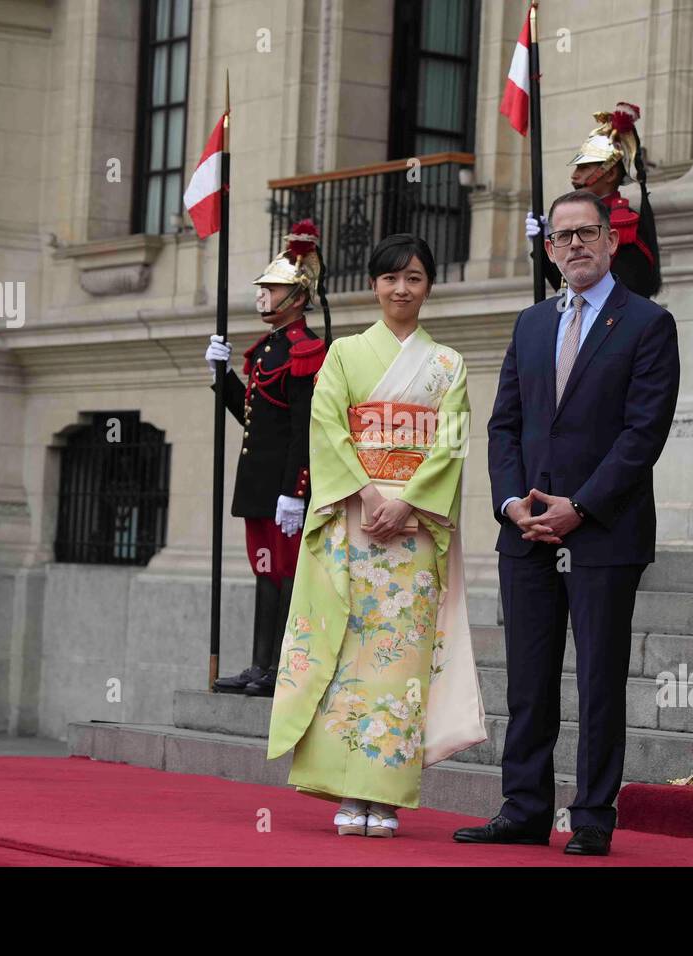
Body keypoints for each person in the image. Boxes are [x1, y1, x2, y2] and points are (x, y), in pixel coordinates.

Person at [456, 190, 679, 856]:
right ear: (549, 250)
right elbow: (503, 427)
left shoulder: (647, 323)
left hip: (604, 532)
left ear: (611, 242)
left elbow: (643, 434)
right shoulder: (530, 324)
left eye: (588, 234)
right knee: (528, 679)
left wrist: (578, 507)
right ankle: (524, 808)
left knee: (600, 681)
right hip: (524, 532)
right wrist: (510, 504)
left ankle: (590, 818)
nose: (576, 245)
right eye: (564, 237)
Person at [266, 234, 486, 838]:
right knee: (346, 653)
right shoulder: (343, 355)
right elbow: (327, 426)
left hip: (411, 531)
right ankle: (343, 788)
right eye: (390, 278)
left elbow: (452, 443)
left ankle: (383, 796)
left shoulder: (448, 365)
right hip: (354, 522)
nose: (401, 289)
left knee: (400, 661)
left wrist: (407, 502)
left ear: (429, 287)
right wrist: (366, 496)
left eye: (413, 278)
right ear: (373, 285)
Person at [205, 220, 327, 697]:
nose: (262, 297)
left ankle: (281, 668)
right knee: (264, 572)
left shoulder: (306, 351)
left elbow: (304, 429)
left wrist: (296, 491)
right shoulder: (266, 351)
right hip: (258, 486)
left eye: (271, 289)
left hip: (284, 488)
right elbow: (252, 417)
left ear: (297, 297)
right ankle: (259, 666)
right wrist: (222, 377)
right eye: (262, 289)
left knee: (286, 576)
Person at [525, 102, 661, 299]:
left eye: (583, 168)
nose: (574, 176)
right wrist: (544, 245)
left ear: (610, 173)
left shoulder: (624, 224)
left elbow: (627, 293)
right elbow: (564, 289)